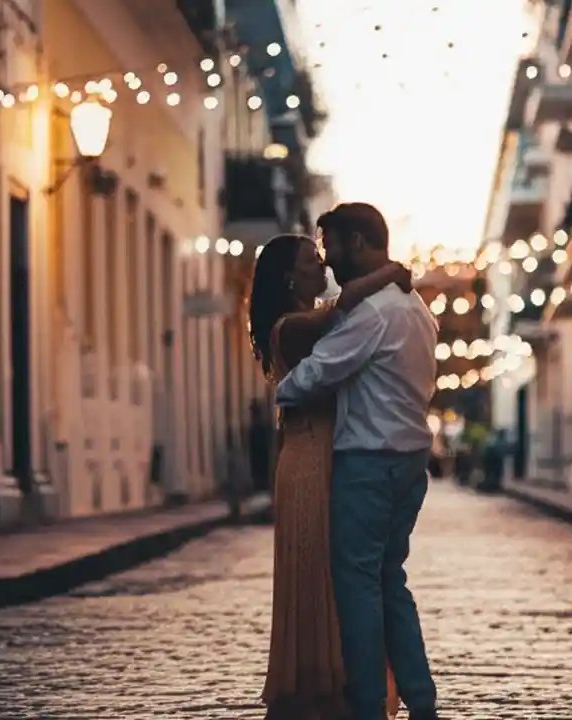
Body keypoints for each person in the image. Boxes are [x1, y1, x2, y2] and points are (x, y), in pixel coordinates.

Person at [275, 203, 440, 720]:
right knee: (391, 580)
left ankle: (368, 707)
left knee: (359, 588)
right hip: (412, 461)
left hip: (368, 462)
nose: (327, 261)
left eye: (332, 246)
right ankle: (423, 699)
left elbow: (312, 376)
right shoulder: (417, 310)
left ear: (358, 244)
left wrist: (284, 387)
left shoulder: (371, 314)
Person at [249, 233, 411, 719]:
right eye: (311, 260)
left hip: (323, 455)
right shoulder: (291, 327)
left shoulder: (302, 325)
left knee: (334, 572)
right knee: (320, 569)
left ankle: (336, 681)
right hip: (309, 461)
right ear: (290, 276)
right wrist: (388, 273)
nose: (321, 265)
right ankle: (320, 688)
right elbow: (338, 310)